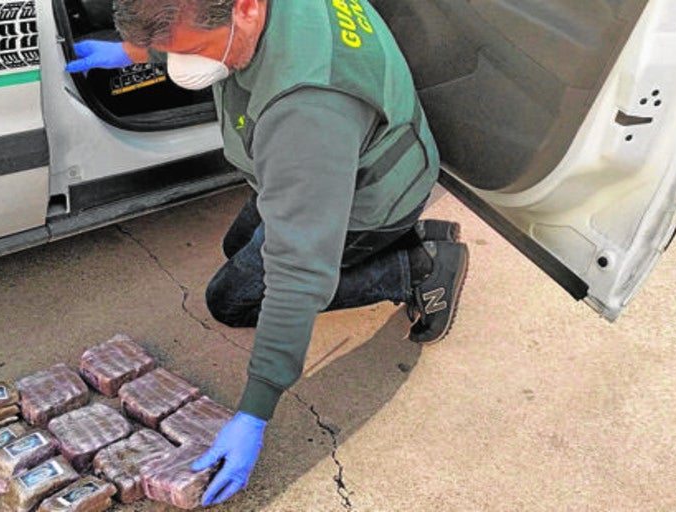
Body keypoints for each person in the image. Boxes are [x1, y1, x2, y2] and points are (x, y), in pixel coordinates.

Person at [66, 0, 468, 506]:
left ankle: (416, 266)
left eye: (188, 51)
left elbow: (298, 274)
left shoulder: (307, 108)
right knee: (238, 248)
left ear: (247, 9)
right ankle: (399, 246)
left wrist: (253, 412)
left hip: (366, 204)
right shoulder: (250, 19)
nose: (181, 67)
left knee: (231, 300)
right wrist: (133, 50)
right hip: (353, 156)